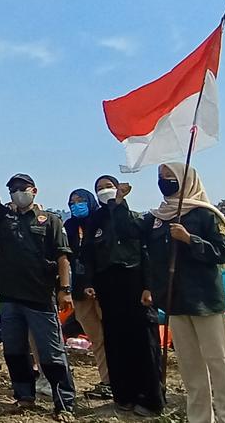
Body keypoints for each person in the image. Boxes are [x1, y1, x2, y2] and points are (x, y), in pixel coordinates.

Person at [0, 153, 77, 417]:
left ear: (34, 191)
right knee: (15, 351)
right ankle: (24, 396)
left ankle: (64, 403)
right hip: (11, 298)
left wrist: (65, 289)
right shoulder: (5, 218)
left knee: (51, 353)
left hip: (40, 296)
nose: (17, 194)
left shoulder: (50, 221)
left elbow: (63, 256)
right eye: (13, 190)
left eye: (22, 189)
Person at [144, 162, 225, 423]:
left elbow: (221, 253)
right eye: (161, 177)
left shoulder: (205, 214)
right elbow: (150, 258)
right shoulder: (158, 218)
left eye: (170, 176)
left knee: (219, 364)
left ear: (186, 180)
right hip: (175, 302)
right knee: (190, 367)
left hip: (205, 301)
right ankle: (200, 418)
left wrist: (190, 239)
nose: (164, 181)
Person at [81, 175, 164, 415]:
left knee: (143, 341)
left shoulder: (135, 218)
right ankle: (123, 396)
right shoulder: (95, 221)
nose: (104, 191)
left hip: (135, 284)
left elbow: (146, 253)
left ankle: (150, 398)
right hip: (108, 286)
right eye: (99, 188)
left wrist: (149, 286)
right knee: (116, 341)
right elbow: (87, 254)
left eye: (108, 186)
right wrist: (88, 282)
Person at [62, 189, 111, 400]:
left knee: (112, 334)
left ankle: (124, 378)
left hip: (103, 289)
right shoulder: (69, 227)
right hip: (79, 291)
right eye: (72, 202)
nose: (76, 204)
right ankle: (107, 381)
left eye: (81, 200)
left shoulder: (101, 223)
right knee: (96, 338)